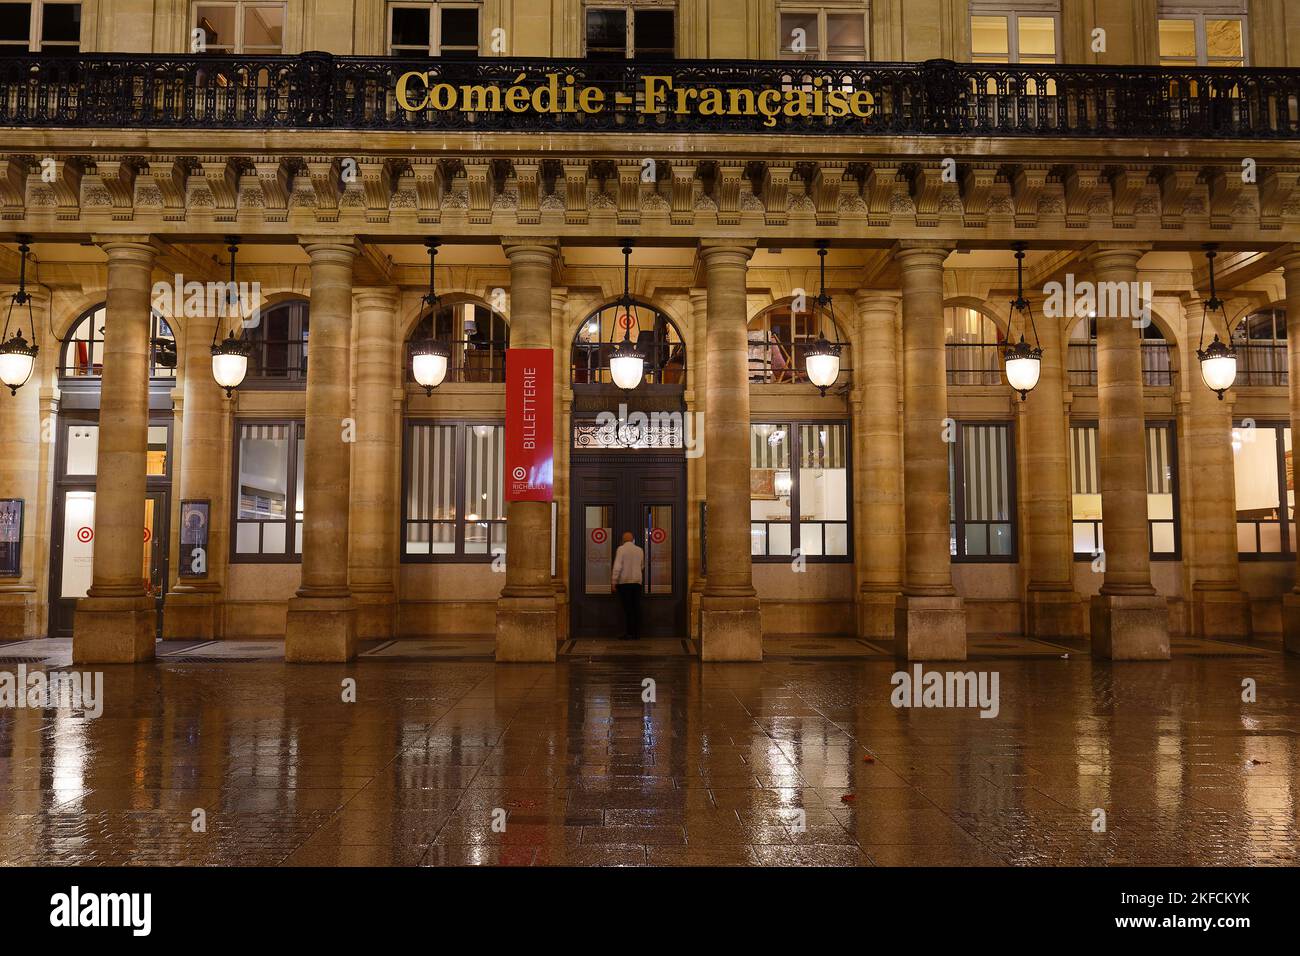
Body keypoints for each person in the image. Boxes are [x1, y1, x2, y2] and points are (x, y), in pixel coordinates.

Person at [611, 531, 645, 640]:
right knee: (636, 608)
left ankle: (629, 633)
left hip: (624, 583)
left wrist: (614, 581)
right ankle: (637, 633)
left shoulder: (621, 549)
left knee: (628, 609)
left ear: (623, 540)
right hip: (637, 582)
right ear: (633, 539)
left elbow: (617, 566)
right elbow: (642, 566)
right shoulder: (640, 550)